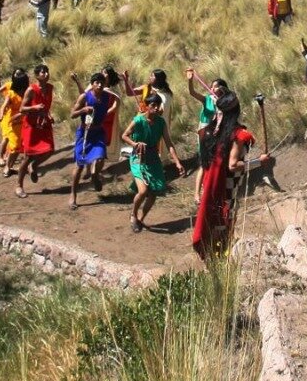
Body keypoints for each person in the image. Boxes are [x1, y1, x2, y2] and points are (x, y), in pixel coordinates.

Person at [191, 91, 263, 259]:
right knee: (224, 221)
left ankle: (213, 256)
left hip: (211, 184)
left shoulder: (212, 131)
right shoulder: (237, 135)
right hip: (227, 187)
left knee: (214, 219)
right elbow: (233, 165)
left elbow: (205, 163)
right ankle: (219, 259)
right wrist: (259, 162)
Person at [123, 92, 185, 232]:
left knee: (154, 193)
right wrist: (134, 144)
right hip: (138, 158)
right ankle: (133, 214)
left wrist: (177, 162)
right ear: (146, 106)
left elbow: (169, 143)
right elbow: (124, 135)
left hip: (153, 159)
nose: (156, 108)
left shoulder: (161, 122)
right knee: (143, 190)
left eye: (158, 105)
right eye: (153, 105)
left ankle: (141, 218)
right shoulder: (138, 120)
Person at [69, 68, 119, 207]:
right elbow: (72, 114)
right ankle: (73, 194)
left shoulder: (106, 96)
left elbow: (116, 102)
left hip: (98, 133)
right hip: (84, 134)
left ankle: (95, 175)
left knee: (101, 157)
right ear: (92, 84)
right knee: (79, 166)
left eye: (102, 83)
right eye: (96, 82)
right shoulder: (85, 97)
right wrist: (83, 110)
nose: (99, 85)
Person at [16, 65, 57, 198]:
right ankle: (19, 186)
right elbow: (22, 109)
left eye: (47, 71)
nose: (45, 74)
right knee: (28, 156)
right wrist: (34, 107)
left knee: (50, 149)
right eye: (42, 72)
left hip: (44, 123)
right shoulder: (31, 90)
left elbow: (46, 106)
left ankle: (34, 165)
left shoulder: (50, 88)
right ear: (37, 75)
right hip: (31, 125)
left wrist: (48, 115)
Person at [0, 68, 28, 176]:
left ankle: (23, 167)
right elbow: (4, 106)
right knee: (14, 146)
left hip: (25, 123)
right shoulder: (11, 94)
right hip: (13, 123)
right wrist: (1, 114)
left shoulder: (28, 93)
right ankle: (7, 167)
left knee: (21, 148)